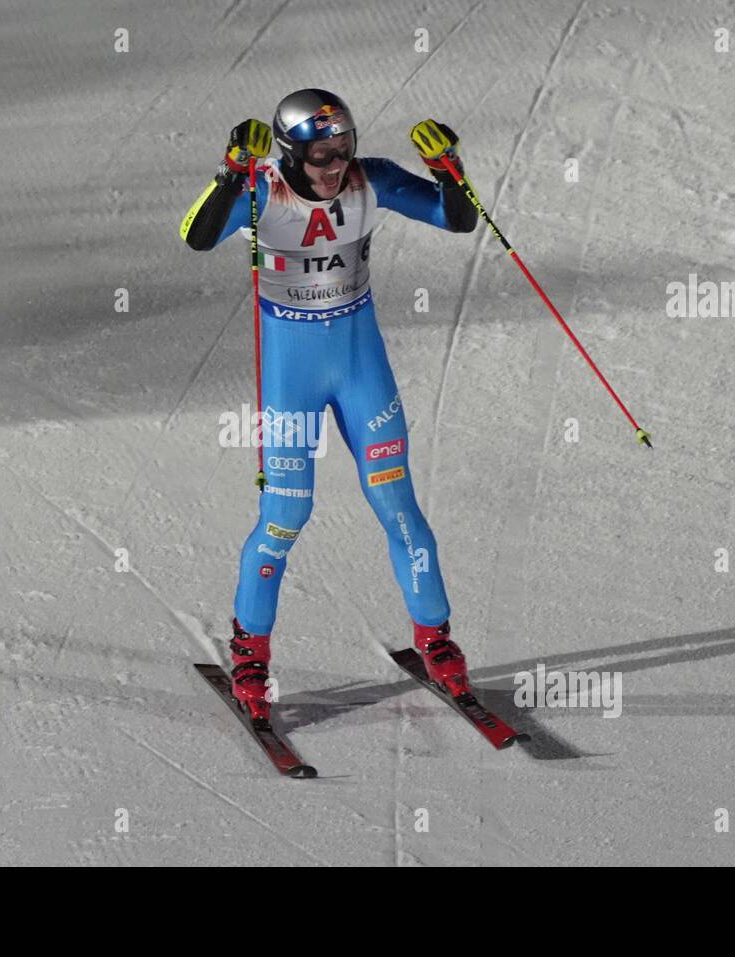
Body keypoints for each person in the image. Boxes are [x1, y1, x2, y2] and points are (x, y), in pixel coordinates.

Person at [180, 88, 480, 723]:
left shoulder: (373, 181)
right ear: (289, 152)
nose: (335, 165)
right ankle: (251, 654)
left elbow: (458, 220)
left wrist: (450, 170)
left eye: (343, 149)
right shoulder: (262, 192)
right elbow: (197, 236)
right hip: (293, 375)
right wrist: (232, 171)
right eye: (320, 154)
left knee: (398, 505)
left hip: (359, 366)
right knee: (286, 514)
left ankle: (436, 637)